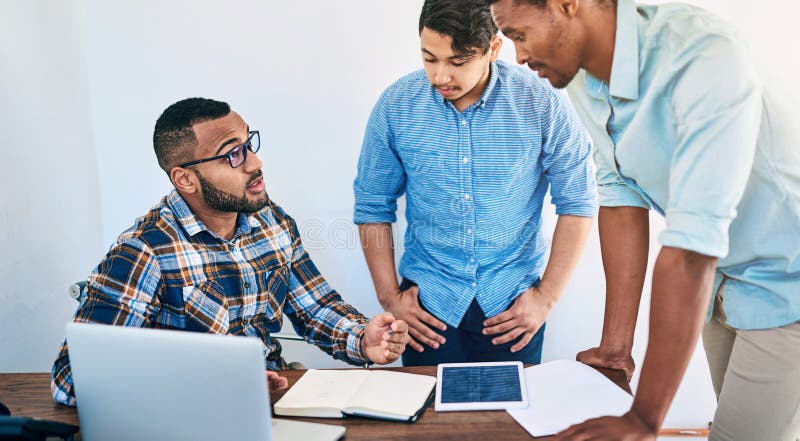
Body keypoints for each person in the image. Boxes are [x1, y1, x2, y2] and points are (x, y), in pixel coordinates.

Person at [490, 0, 800, 439]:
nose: (519, 56)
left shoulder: (702, 55)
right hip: (722, 280)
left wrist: (643, 419)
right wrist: (615, 349)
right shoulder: (580, 73)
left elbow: (691, 250)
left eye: (520, 35)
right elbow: (620, 192)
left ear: (567, 4)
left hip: (787, 278)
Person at [51, 97, 410, 406]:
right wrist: (218, 387)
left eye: (248, 145)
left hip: (272, 399)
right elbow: (72, 381)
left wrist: (362, 338)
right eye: (232, 155)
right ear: (185, 179)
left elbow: (314, 306)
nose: (255, 163)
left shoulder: (271, 221)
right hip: (192, 417)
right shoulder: (144, 251)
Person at [354, 0, 597, 367]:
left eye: (457, 62)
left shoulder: (542, 102)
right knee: (429, 406)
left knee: (509, 407)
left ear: (493, 49)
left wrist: (545, 299)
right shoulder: (396, 105)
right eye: (429, 58)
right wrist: (390, 297)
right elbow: (372, 204)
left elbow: (578, 200)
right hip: (426, 310)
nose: (440, 77)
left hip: (513, 308)